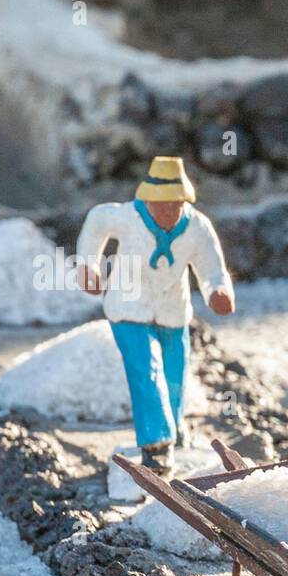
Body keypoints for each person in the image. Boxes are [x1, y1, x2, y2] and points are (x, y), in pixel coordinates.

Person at [75, 156, 235, 473]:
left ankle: (174, 430)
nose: (168, 212)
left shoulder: (196, 227)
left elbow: (212, 268)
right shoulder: (127, 217)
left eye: (175, 205)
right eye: (161, 205)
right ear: (146, 200)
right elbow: (96, 223)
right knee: (146, 369)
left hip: (172, 311)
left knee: (175, 372)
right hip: (128, 307)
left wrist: (217, 291)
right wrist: (88, 266)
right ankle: (155, 444)